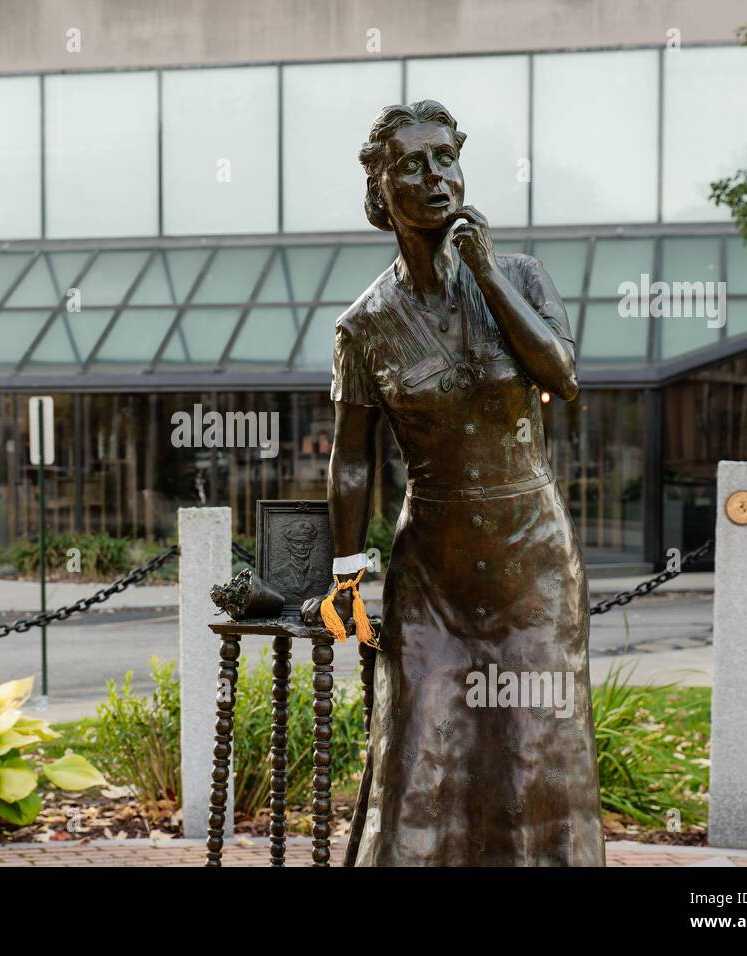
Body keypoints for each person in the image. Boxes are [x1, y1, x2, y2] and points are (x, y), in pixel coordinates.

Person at [300, 100, 605, 866]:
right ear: (381, 188)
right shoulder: (364, 326)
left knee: (538, 752)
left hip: (531, 563)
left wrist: (487, 274)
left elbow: (561, 376)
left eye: (445, 159)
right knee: (421, 753)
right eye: (413, 164)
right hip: (431, 574)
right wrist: (345, 573)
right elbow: (354, 459)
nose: (436, 178)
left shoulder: (521, 276)